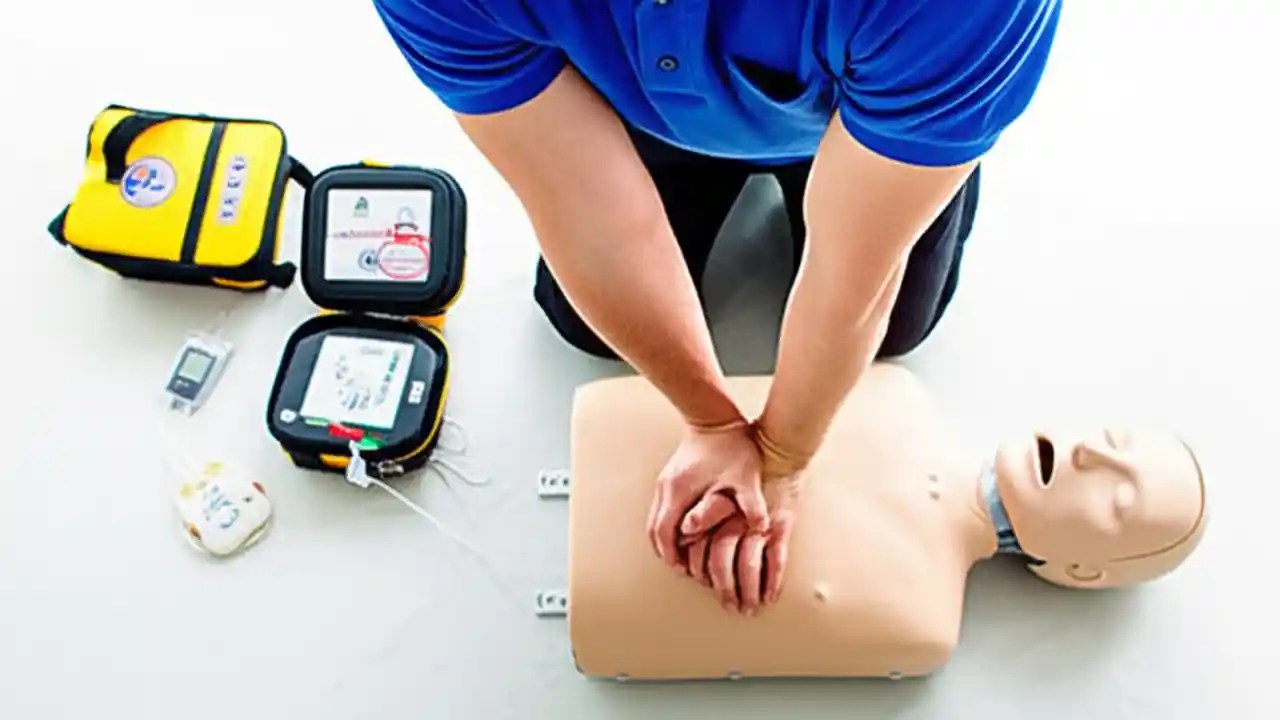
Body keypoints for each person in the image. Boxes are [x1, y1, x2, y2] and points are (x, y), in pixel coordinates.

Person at [371, 0, 1064, 611]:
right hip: (635, 99)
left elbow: (853, 281)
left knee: (898, 327)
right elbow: (588, 214)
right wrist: (709, 421)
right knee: (586, 328)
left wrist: (782, 454)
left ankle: (923, 137)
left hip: (866, 107)